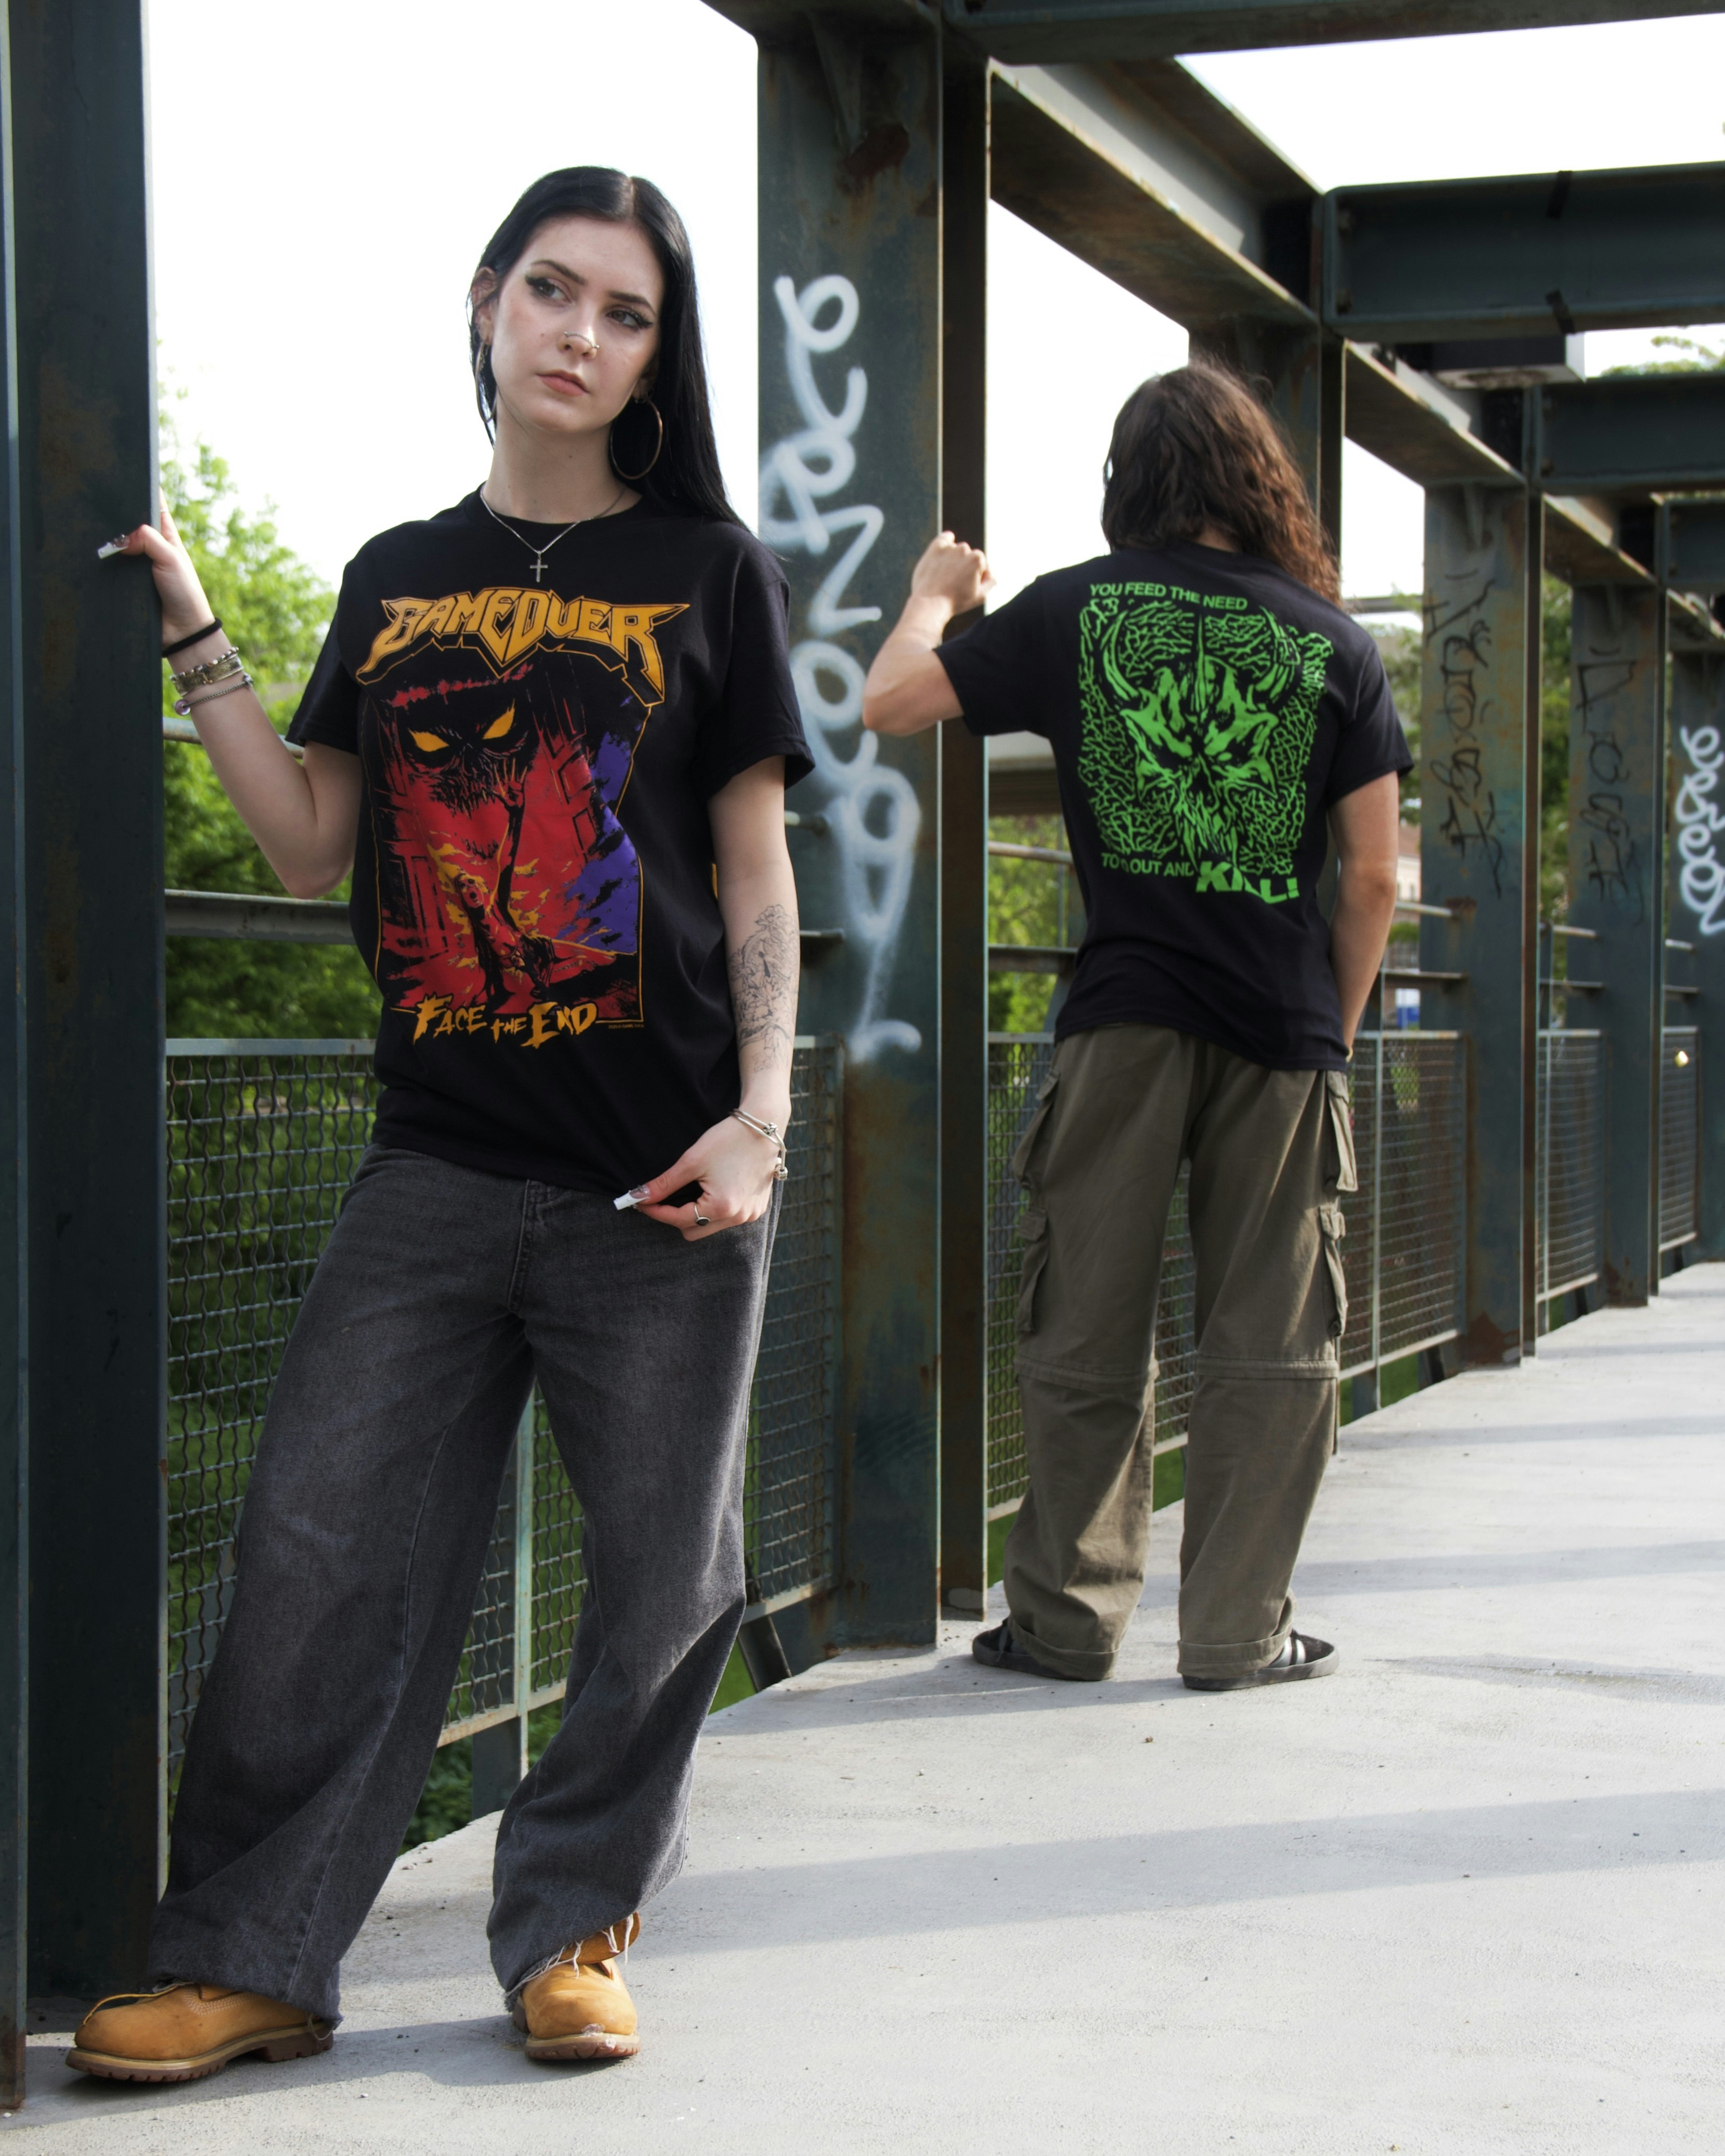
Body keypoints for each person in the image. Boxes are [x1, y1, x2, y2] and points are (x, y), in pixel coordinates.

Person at [72, 166, 809, 2083]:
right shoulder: (395, 575)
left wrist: (760, 1116)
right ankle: (249, 1950)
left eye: (623, 311)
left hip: (659, 1174)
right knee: (317, 1544)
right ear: (486, 303)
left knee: (661, 1572)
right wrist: (194, 634)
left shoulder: (707, 568)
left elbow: (751, 873)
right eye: (550, 292)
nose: (578, 334)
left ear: (658, 352)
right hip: (440, 1157)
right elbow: (319, 841)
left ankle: (570, 1920)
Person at [864, 361, 1406, 1694]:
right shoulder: (1333, 644)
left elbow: (887, 706)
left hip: (1121, 1023)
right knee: (1273, 1346)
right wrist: (1322, 1035)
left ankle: (1063, 1625)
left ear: (1128, 484)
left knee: (1086, 1328)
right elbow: (1376, 879)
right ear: (1256, 480)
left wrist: (935, 593)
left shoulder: (1073, 612)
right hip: (1280, 1029)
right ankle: (1233, 1634)